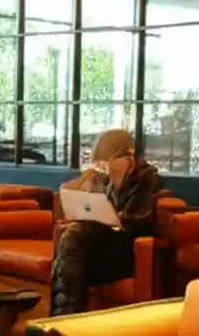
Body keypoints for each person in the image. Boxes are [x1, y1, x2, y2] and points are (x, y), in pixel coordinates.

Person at [50, 128, 159, 316]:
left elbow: (138, 222)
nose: (104, 167)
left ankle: (64, 315)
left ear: (127, 157)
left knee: (74, 237)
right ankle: (63, 315)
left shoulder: (146, 177)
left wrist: (109, 221)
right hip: (107, 245)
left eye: (107, 161)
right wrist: (88, 179)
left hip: (128, 250)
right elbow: (66, 190)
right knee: (69, 248)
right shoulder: (109, 182)